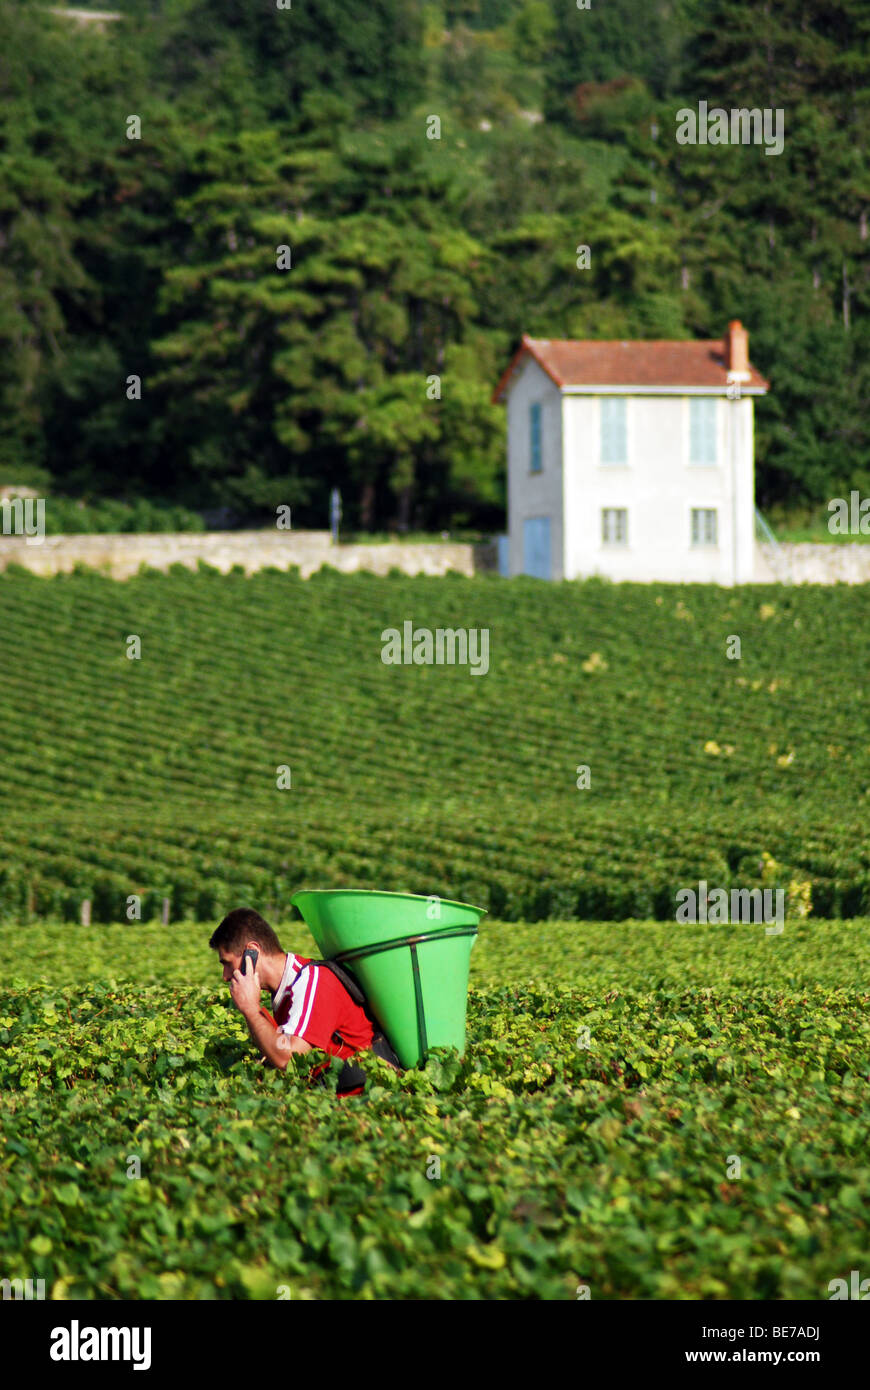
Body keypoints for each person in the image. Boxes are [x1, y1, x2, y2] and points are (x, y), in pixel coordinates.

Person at [209, 906, 402, 1097]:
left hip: (367, 1100)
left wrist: (251, 1009)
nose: (225, 976)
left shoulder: (313, 981)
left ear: (252, 952)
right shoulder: (284, 994)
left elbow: (288, 1059)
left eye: (227, 963)